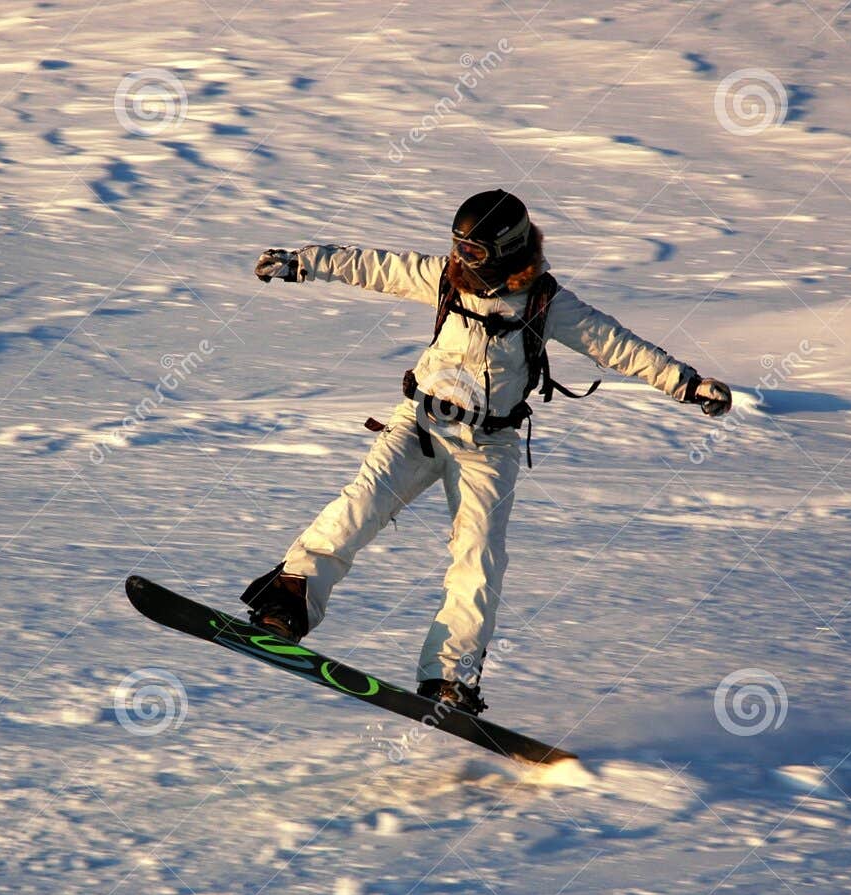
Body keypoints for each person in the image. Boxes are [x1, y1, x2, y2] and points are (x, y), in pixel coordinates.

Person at [243, 189, 732, 714]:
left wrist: (687, 384)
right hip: (420, 425)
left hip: (489, 445)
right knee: (359, 507)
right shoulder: (443, 277)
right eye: (458, 247)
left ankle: (449, 679)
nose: (462, 259)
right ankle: (285, 606)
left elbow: (616, 344)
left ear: (506, 248)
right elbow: (375, 266)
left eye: (473, 251)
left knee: (479, 557)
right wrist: (304, 263)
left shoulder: (546, 303)